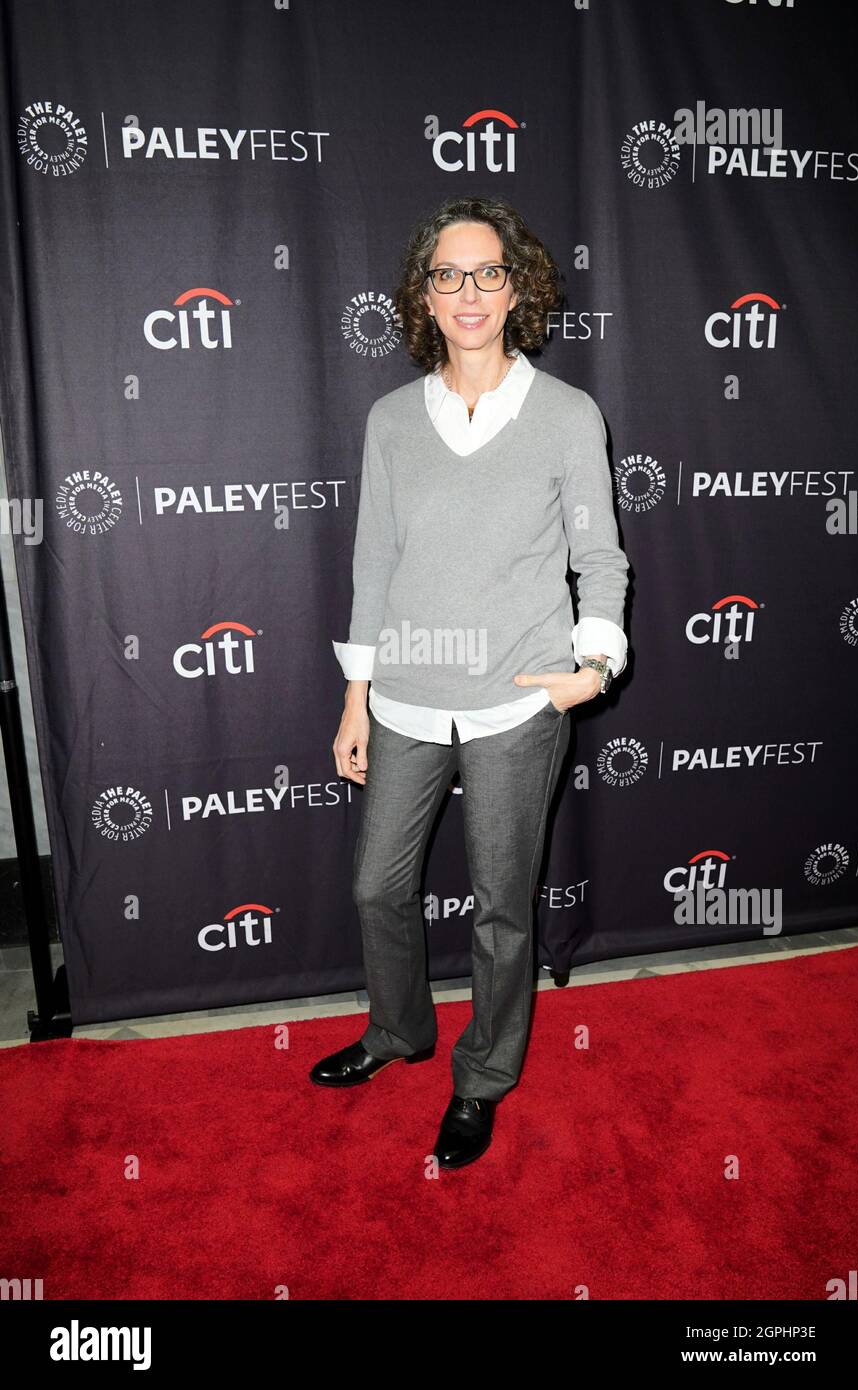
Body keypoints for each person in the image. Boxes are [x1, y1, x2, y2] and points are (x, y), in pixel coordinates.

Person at [311, 195, 630, 1170]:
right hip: (404, 690)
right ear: (423, 293)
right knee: (376, 888)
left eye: (485, 271)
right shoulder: (389, 420)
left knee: (500, 908)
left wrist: (593, 665)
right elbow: (373, 562)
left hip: (514, 701)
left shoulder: (568, 414)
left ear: (516, 284)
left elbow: (599, 556)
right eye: (446, 274)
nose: (466, 291)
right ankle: (398, 1029)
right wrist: (355, 696)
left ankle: (481, 1076)